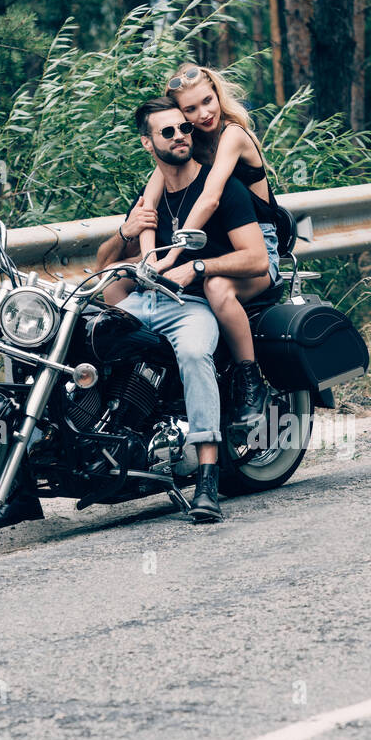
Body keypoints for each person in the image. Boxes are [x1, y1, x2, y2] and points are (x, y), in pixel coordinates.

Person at [95, 96, 274, 522]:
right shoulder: (150, 195)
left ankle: (208, 480)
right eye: (169, 131)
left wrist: (197, 267)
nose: (180, 136)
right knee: (79, 335)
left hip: (193, 305)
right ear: (147, 143)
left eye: (185, 128)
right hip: (146, 299)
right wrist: (123, 231)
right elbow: (104, 266)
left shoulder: (223, 188)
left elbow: (256, 258)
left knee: (195, 353)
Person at [134, 63, 278, 427]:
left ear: (218, 94)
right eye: (191, 110)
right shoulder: (187, 140)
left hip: (258, 247)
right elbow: (147, 205)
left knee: (216, 286)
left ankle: (250, 380)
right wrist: (150, 259)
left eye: (207, 102)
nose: (203, 114)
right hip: (213, 245)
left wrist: (173, 255)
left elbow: (211, 198)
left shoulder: (233, 135)